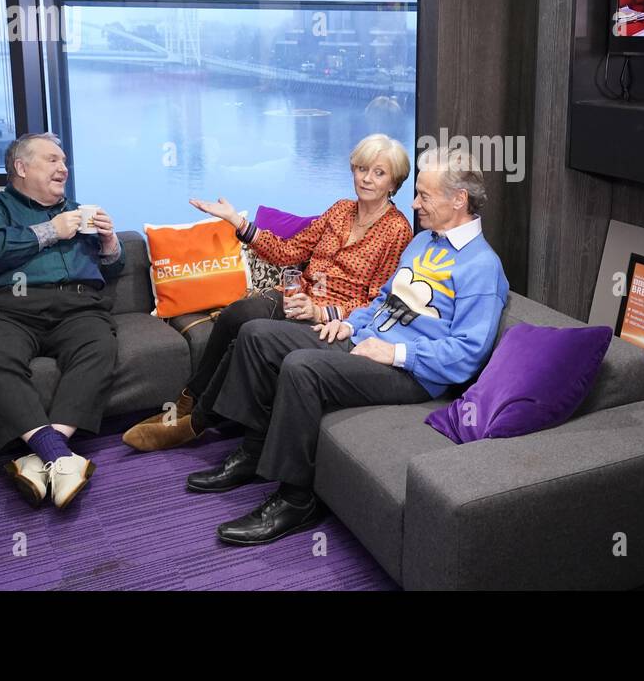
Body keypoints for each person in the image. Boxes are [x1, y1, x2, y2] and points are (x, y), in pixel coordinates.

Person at [187, 147, 509, 547]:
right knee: (256, 334)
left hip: (413, 373)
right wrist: (345, 324)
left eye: (423, 196)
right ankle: (253, 452)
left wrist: (394, 353)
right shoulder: (425, 241)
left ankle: (295, 500)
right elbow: (382, 301)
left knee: (302, 368)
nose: (414, 203)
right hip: (368, 340)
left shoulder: (482, 267)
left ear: (458, 199)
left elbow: (468, 353)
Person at [121, 134, 413, 451]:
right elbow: (288, 251)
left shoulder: (398, 230)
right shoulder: (341, 210)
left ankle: (195, 423)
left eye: (378, 173)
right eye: (361, 169)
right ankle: (186, 401)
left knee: (248, 333)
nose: (367, 179)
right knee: (236, 314)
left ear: (393, 183)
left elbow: (378, 300)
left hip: (332, 319)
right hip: (297, 295)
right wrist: (237, 221)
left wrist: (322, 312)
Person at [0, 132, 123, 509]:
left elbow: (113, 268)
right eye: (51, 160)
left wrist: (111, 244)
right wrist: (50, 231)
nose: (63, 168)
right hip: (2, 308)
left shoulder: (80, 211)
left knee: (100, 345)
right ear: (20, 167)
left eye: (64, 161)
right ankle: (60, 457)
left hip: (76, 308)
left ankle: (46, 453)